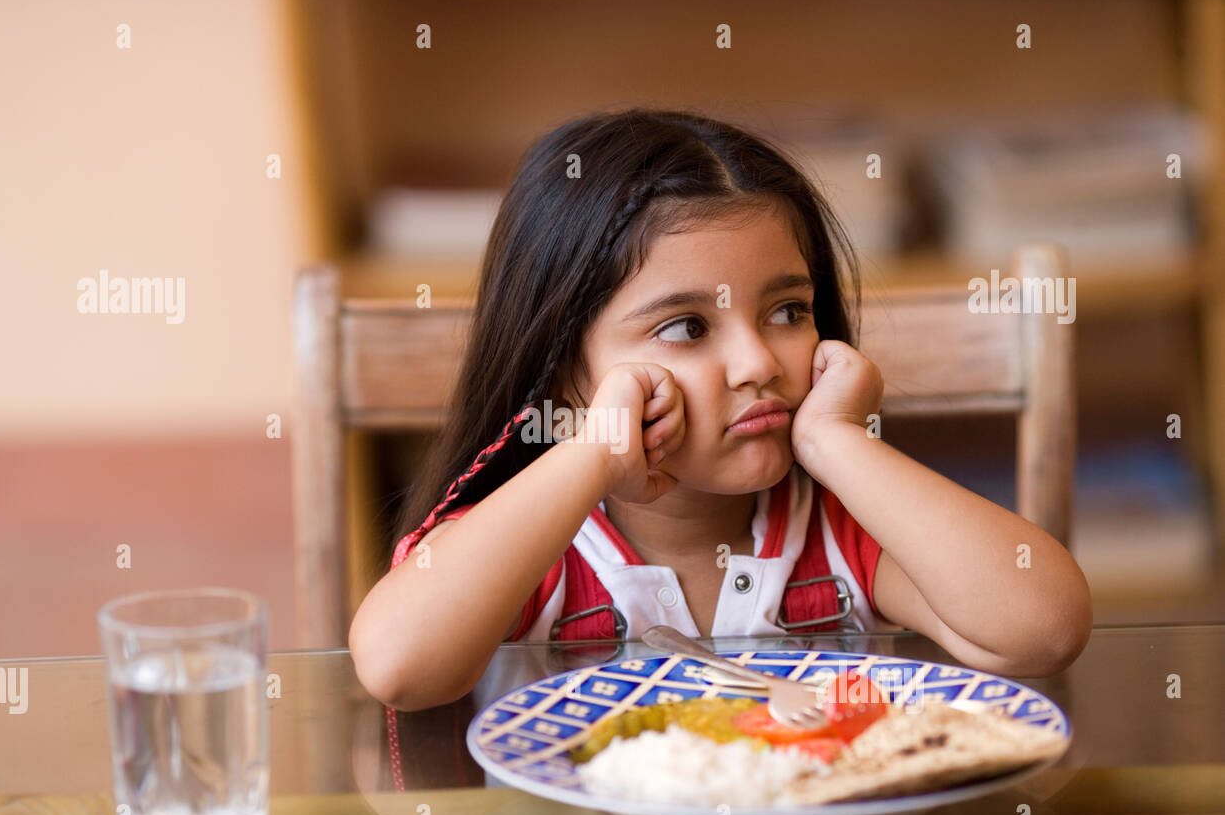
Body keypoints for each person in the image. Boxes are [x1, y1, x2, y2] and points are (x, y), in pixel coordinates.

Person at [351, 107, 1093, 735]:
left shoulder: (841, 532)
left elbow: (1045, 629)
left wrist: (840, 446)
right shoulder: (526, 545)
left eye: (788, 312)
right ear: (562, 368)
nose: (757, 363)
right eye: (686, 328)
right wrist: (588, 456)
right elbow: (398, 668)